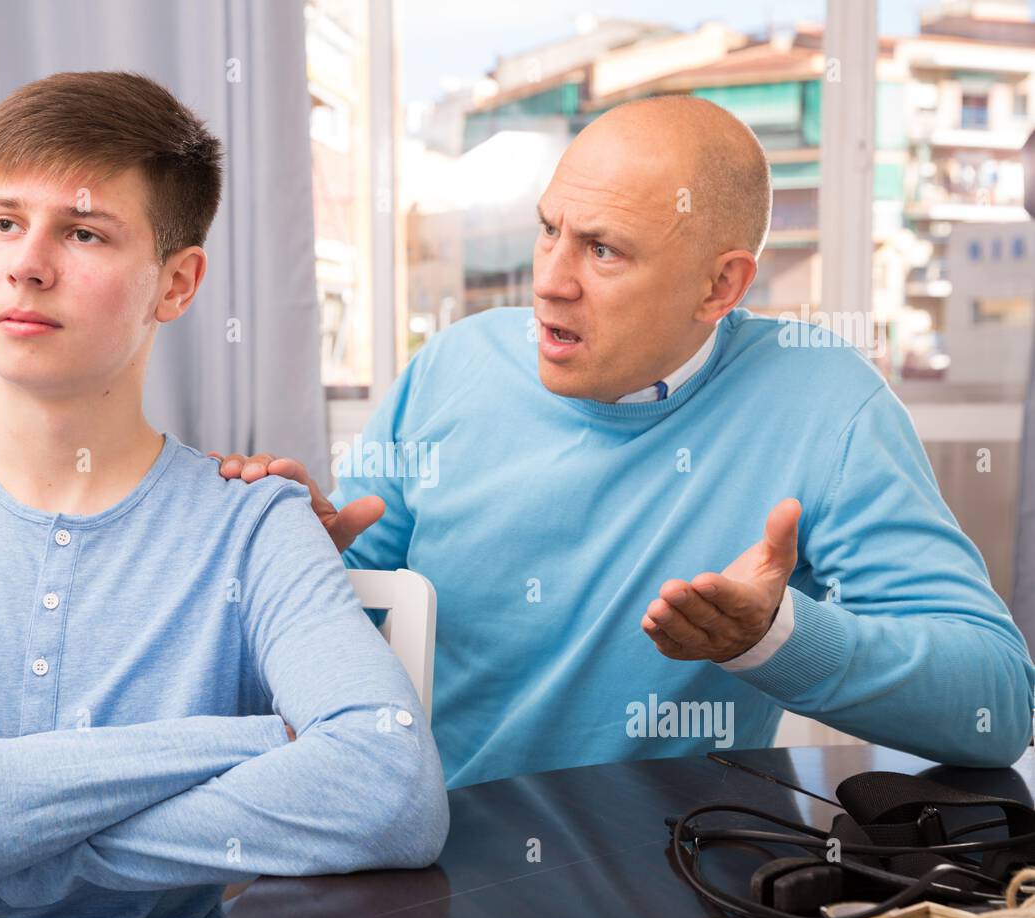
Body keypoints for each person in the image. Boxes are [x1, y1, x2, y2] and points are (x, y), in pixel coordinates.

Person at [214, 95, 1035, 790]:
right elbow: (348, 617)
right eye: (549, 231)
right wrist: (301, 567)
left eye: (602, 250)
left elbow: (997, 703)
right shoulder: (454, 365)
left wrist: (774, 639)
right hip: (429, 847)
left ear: (720, 285)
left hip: (672, 870)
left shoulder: (825, 401)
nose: (549, 281)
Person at [0, 70, 448, 918]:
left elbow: (391, 790)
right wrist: (250, 742)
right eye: (4, 222)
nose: (26, 266)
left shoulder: (256, 522)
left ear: (177, 284)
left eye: (83, 232)